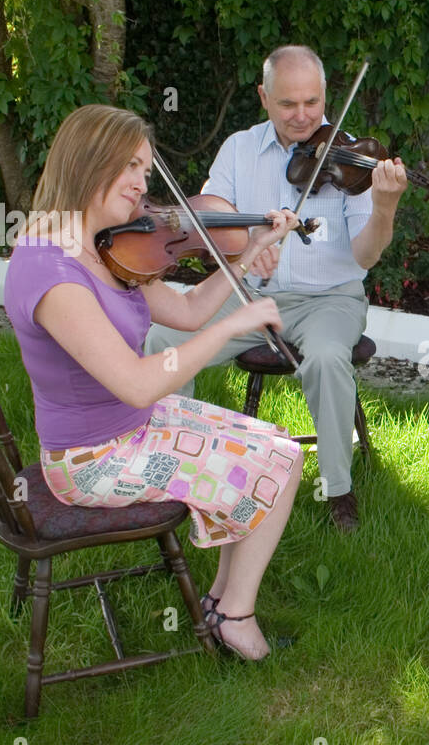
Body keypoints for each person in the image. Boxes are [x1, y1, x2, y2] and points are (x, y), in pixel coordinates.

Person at [3, 103, 305, 662]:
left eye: (146, 169)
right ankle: (235, 618)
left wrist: (247, 256)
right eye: (132, 167)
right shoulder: (51, 270)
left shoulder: (103, 245)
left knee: (280, 448)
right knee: (279, 465)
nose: (144, 185)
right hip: (93, 459)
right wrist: (235, 326)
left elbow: (188, 310)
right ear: (90, 163)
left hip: (131, 429)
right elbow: (139, 385)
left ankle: (221, 602)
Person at [144, 45, 409, 533]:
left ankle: (338, 490)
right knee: (163, 340)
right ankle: (171, 464)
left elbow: (364, 256)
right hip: (248, 294)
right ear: (263, 97)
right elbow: (212, 218)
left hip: (329, 298)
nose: (304, 116)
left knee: (329, 358)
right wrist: (246, 246)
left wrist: (385, 207)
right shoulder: (240, 149)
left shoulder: (351, 158)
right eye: (288, 104)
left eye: (313, 102)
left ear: (327, 95)